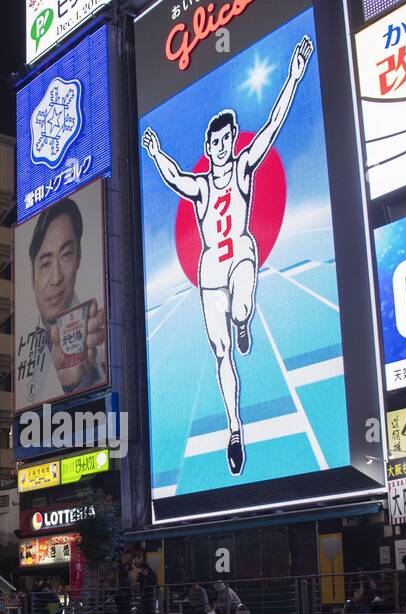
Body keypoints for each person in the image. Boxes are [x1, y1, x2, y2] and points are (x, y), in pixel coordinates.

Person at [141, 35, 314, 475]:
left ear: (233, 139)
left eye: (226, 138)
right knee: (221, 353)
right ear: (208, 144)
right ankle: (235, 428)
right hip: (210, 268)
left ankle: (244, 321)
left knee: (242, 306)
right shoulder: (201, 186)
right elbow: (175, 177)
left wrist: (294, 76)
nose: (220, 146)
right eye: (214, 141)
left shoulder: (241, 168)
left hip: (240, 252)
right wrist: (157, 153)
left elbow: (273, 125)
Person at [24, 199, 107, 401]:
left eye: (66, 255)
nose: (56, 278)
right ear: (32, 276)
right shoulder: (26, 346)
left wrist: (79, 384)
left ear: (78, 258)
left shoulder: (98, 334)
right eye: (45, 264)